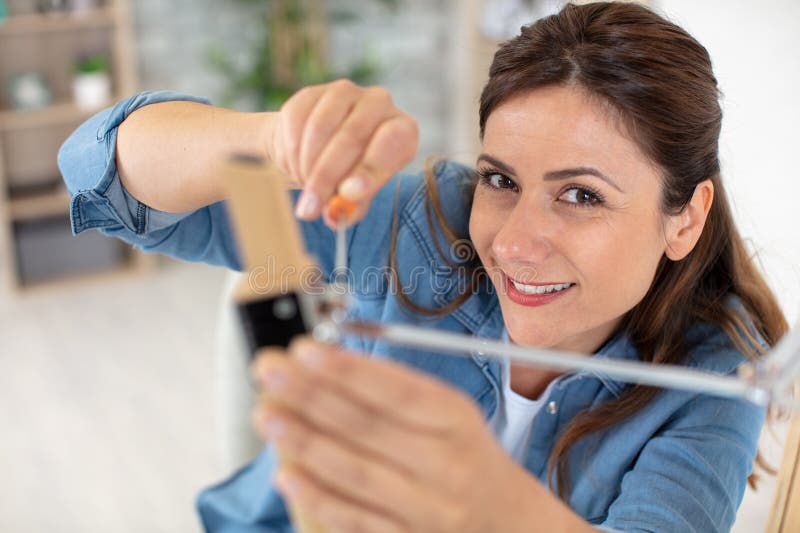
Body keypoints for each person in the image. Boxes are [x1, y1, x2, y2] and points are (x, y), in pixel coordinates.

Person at [58, 2, 788, 532]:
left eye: (580, 194)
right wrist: (275, 142)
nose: (515, 243)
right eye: (502, 179)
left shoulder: (717, 372)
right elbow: (101, 174)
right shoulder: (420, 225)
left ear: (685, 217)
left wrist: (499, 512)